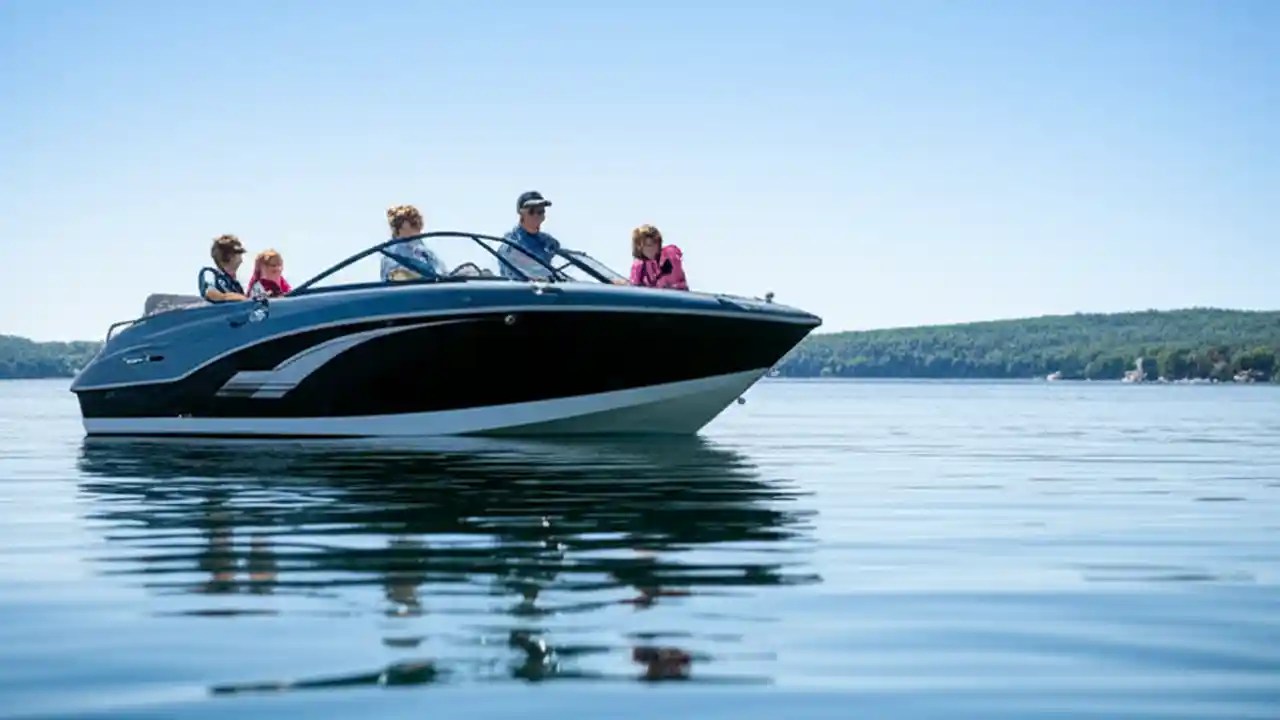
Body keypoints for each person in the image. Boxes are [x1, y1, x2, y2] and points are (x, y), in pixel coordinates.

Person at [497, 191, 560, 281]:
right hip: (522, 292)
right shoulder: (511, 245)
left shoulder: (548, 242)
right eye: (531, 212)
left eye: (541, 212)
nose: (537, 216)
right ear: (521, 214)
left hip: (545, 291)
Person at [381, 204, 447, 281]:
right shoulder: (391, 253)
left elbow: (441, 272)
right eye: (413, 223)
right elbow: (396, 276)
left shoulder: (425, 252)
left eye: (420, 223)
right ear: (399, 227)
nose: (419, 228)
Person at [628, 224, 688, 290]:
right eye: (644, 246)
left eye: (651, 244)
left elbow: (673, 284)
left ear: (658, 243)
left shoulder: (669, 256)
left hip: (675, 297)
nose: (649, 249)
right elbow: (633, 287)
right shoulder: (639, 266)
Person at [198, 234, 248, 303]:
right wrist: (244, 299)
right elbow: (211, 294)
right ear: (228, 255)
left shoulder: (236, 284)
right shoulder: (210, 273)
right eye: (238, 252)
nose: (241, 257)